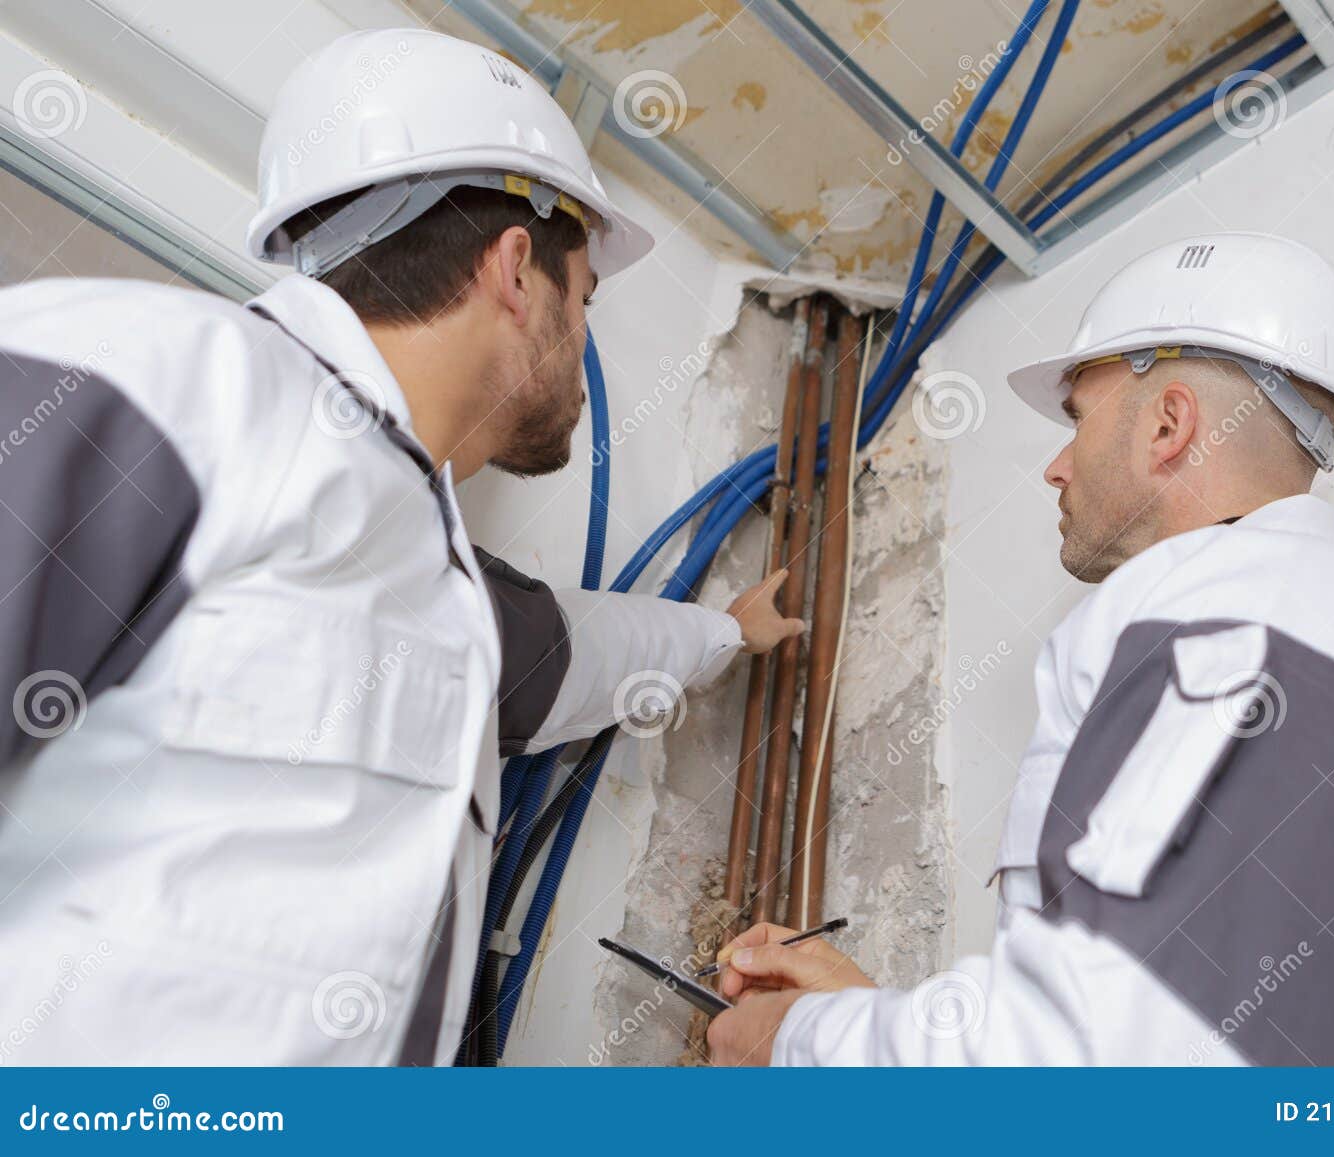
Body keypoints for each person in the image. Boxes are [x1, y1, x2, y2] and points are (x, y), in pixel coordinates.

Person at [0, 28, 802, 1065]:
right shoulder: (153, 378)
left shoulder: (434, 576)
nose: (584, 342)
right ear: (519, 269)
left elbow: (570, 651)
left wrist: (722, 633)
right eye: (585, 298)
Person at [706, 232, 1334, 1066]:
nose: (1056, 466)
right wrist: (867, 1012)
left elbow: (1105, 1062)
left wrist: (799, 1043)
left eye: (1078, 418)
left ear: (1169, 424)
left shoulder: (1222, 617)